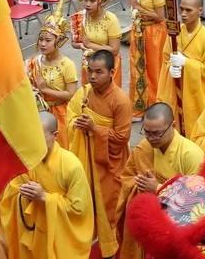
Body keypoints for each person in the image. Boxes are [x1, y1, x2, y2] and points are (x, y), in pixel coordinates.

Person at [0, 112, 93, 259]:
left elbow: (79, 209)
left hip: (59, 237)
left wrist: (45, 198)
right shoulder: (26, 160)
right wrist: (24, 196)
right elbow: (10, 194)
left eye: (40, 137)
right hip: (32, 233)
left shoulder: (71, 165)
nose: (34, 142)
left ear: (55, 135)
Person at [116, 103, 204, 259]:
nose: (151, 138)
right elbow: (127, 177)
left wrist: (158, 188)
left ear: (173, 125)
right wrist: (138, 185)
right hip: (151, 222)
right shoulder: (145, 148)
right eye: (147, 132)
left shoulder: (191, 155)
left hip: (178, 228)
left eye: (156, 133)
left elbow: (198, 202)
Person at [66, 50, 131, 258]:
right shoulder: (84, 93)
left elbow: (122, 138)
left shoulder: (120, 100)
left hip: (109, 163)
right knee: (86, 203)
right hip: (86, 158)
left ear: (112, 72)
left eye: (99, 72)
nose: (92, 76)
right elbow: (70, 116)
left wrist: (95, 129)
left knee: (109, 208)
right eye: (90, 71)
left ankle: (112, 249)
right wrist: (77, 124)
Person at [158, 0, 205, 133]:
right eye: (181, 9)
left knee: (196, 131)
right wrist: (169, 68)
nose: (183, 14)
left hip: (196, 95)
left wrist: (186, 62)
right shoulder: (174, 32)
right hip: (176, 90)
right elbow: (166, 57)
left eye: (188, 10)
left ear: (200, 11)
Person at [26, 2, 78, 148]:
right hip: (40, 113)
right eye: (41, 40)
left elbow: (70, 94)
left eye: (48, 40)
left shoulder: (67, 65)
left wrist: (45, 90)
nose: (43, 44)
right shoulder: (34, 62)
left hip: (61, 114)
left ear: (59, 41)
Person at [126, 0, 166, 119]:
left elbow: (160, 16)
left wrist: (138, 8)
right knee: (137, 68)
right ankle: (139, 106)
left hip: (154, 33)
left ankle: (157, 106)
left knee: (153, 69)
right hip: (138, 30)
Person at [72, 0, 122, 85]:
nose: (87, 4)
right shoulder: (80, 17)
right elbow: (74, 43)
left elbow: (115, 50)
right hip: (89, 64)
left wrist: (90, 45)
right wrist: (81, 46)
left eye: (92, 0)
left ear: (102, 1)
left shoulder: (111, 19)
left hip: (107, 67)